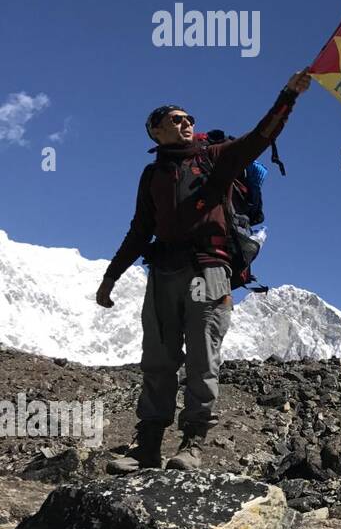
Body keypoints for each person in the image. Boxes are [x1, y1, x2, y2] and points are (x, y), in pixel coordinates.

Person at [97, 71, 312, 474]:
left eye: (188, 118)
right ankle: (147, 446)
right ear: (155, 132)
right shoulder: (153, 175)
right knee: (157, 360)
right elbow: (140, 230)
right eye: (174, 120)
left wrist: (288, 96)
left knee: (202, 359)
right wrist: (111, 277)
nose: (185, 123)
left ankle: (192, 445)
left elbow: (259, 138)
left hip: (209, 269)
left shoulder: (214, 159)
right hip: (162, 271)